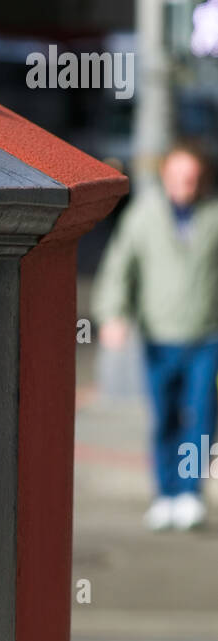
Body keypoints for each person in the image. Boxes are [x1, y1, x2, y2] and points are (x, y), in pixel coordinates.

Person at [94, 140, 218, 530]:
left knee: (199, 416)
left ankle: (188, 494)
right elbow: (120, 265)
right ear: (166, 176)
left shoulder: (214, 216)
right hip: (158, 335)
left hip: (205, 336)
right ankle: (165, 494)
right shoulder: (143, 217)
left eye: (193, 178)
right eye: (179, 176)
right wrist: (114, 314)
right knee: (164, 415)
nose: (186, 185)